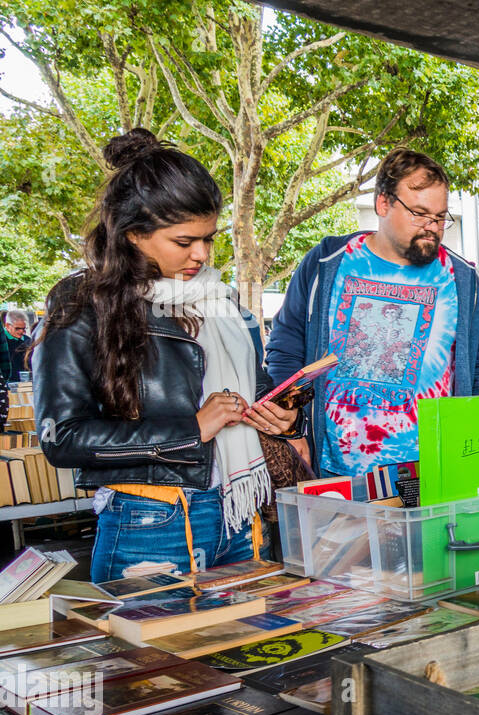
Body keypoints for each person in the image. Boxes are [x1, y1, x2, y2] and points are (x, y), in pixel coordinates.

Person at [33, 128, 297, 583]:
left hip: (241, 509)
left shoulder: (221, 300)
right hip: (152, 519)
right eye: (184, 241)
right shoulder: (82, 302)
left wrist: (285, 415)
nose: (201, 254)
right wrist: (191, 430)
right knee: (152, 655)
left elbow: (255, 392)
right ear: (134, 234)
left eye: (209, 239)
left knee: (241, 649)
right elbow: (63, 438)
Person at [265, 148, 479, 477]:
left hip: (435, 473)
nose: (431, 227)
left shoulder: (463, 278)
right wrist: (290, 425)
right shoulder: (326, 262)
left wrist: (472, 441)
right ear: (382, 204)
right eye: (419, 214)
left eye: (439, 217)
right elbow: (286, 344)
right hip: (335, 472)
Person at [3, 309, 30, 379]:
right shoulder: (2, 341)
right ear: (8, 326)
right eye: (17, 328)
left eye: (24, 328)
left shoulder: (28, 340)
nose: (22, 332)